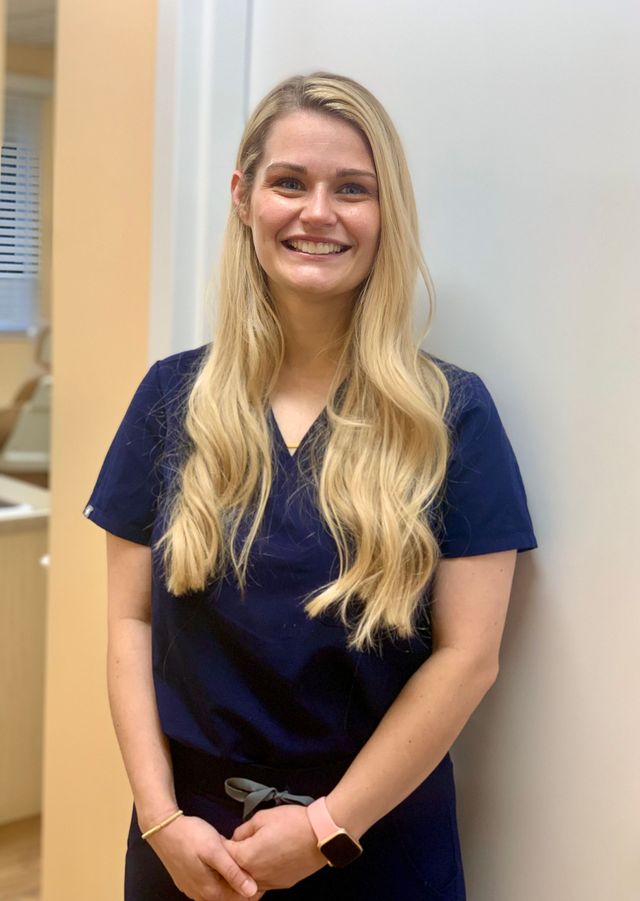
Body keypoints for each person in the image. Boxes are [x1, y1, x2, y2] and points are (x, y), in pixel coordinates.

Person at [84, 72, 537, 900]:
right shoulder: (169, 398)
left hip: (373, 847)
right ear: (243, 197)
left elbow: (468, 657)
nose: (318, 212)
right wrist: (159, 816)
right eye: (289, 182)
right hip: (188, 846)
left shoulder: (451, 415)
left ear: (386, 213)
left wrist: (328, 826)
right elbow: (129, 621)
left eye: (352, 189)